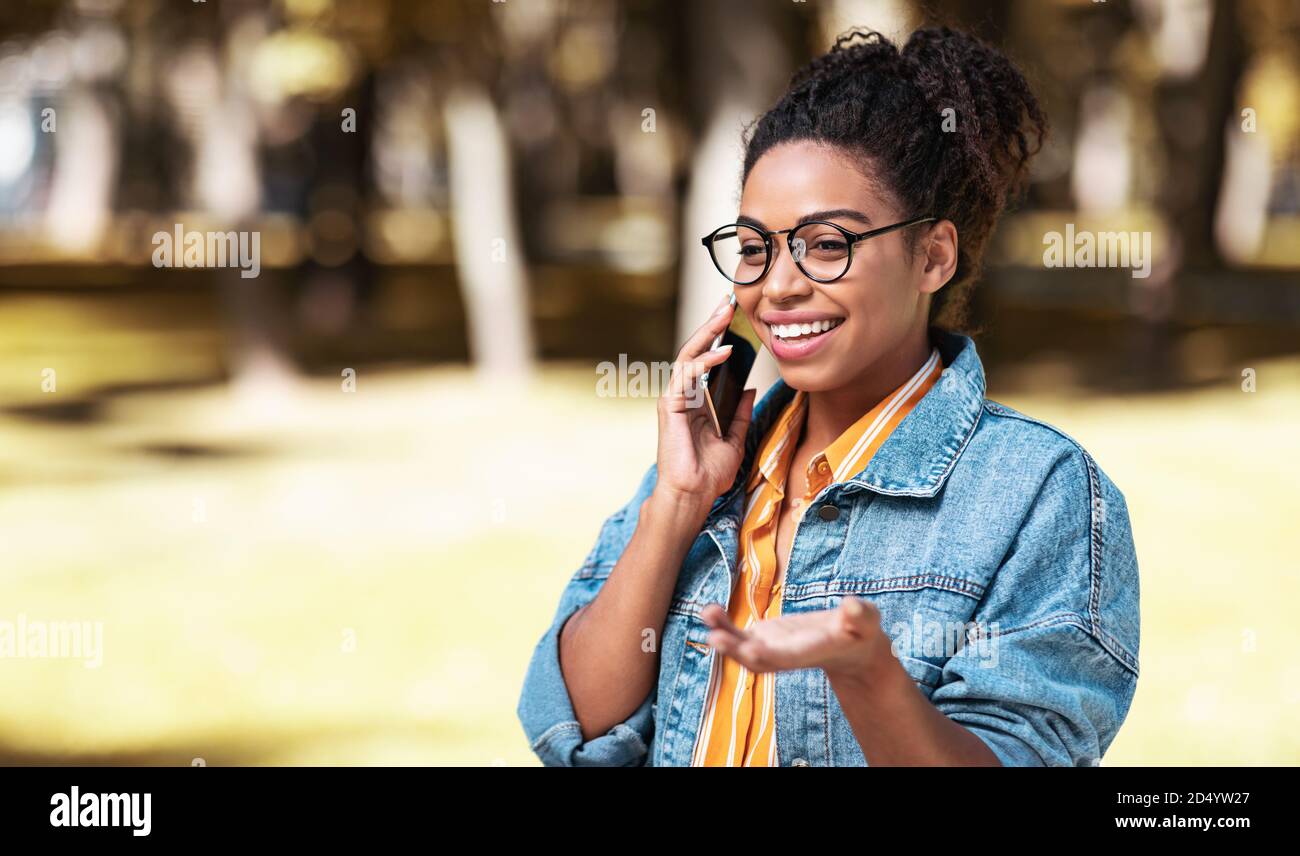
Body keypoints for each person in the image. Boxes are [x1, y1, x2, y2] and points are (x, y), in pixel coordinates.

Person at [517, 25, 1140, 766]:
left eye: (826, 243)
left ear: (933, 256)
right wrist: (677, 507)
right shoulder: (706, 468)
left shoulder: (1038, 493)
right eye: (755, 247)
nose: (777, 285)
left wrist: (867, 675)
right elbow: (575, 728)